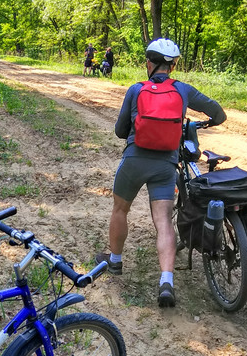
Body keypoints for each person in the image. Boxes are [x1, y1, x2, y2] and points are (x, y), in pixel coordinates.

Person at [96, 38, 226, 308]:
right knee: (164, 220)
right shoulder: (183, 90)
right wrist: (214, 120)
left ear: (149, 63)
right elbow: (217, 111)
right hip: (166, 165)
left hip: (134, 160)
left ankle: (116, 262)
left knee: (120, 209)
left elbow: (121, 131)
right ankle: (166, 281)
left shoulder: (136, 89)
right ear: (173, 65)